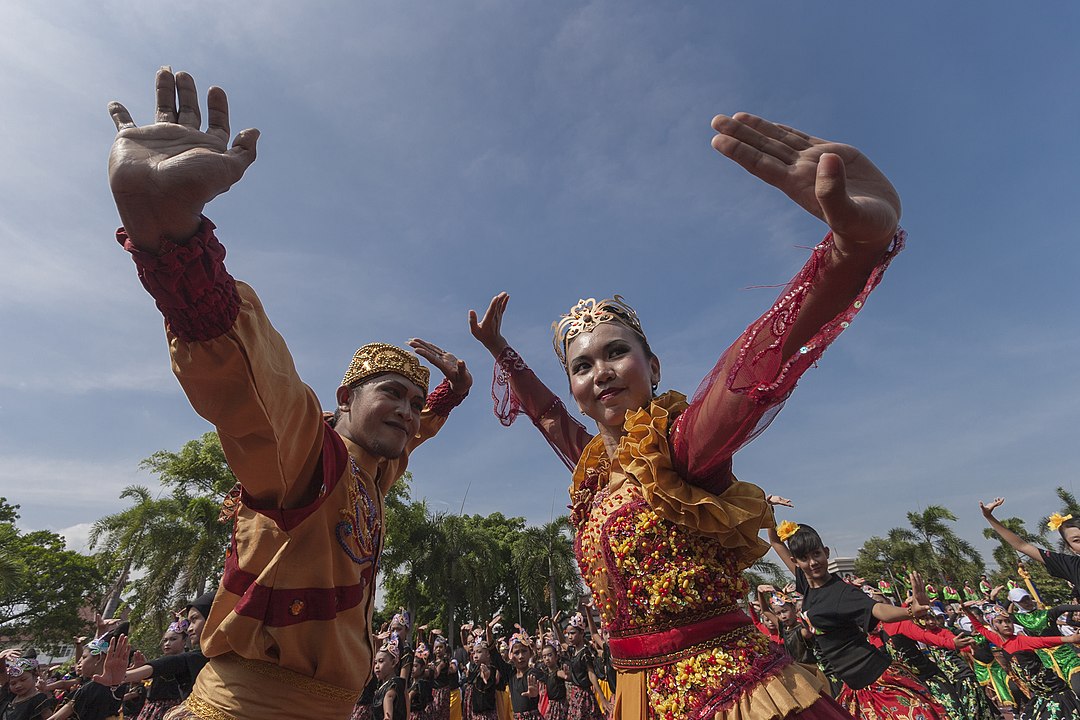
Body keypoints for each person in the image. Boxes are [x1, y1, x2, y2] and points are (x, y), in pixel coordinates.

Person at [470, 112, 903, 719]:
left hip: (732, 694)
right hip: (636, 698)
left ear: (653, 367)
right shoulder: (595, 473)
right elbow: (546, 419)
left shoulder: (679, 447)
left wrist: (851, 252)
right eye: (582, 365)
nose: (601, 372)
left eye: (616, 353)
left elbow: (753, 365)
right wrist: (502, 352)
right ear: (574, 387)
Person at [103, 68, 472, 720]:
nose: (407, 412)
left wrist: (452, 392)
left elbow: (417, 430)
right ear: (345, 397)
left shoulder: (374, 472)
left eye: (414, 405)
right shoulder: (308, 454)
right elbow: (247, 381)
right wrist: (169, 234)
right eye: (392, 394)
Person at [769, 523, 948, 719]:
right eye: (804, 558)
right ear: (796, 561)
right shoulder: (806, 584)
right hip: (853, 689)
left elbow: (878, 609)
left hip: (876, 681)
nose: (813, 562)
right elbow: (776, 543)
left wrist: (910, 612)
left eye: (816, 554)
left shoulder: (842, 592)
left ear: (826, 552)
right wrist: (766, 513)